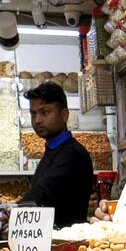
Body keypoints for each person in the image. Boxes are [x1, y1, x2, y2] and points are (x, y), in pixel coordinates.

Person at [20, 81, 94, 227]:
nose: (37, 120)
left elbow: (41, 194)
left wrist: (5, 213)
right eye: (33, 113)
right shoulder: (53, 149)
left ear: (64, 115)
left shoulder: (73, 154)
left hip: (68, 244)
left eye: (45, 112)